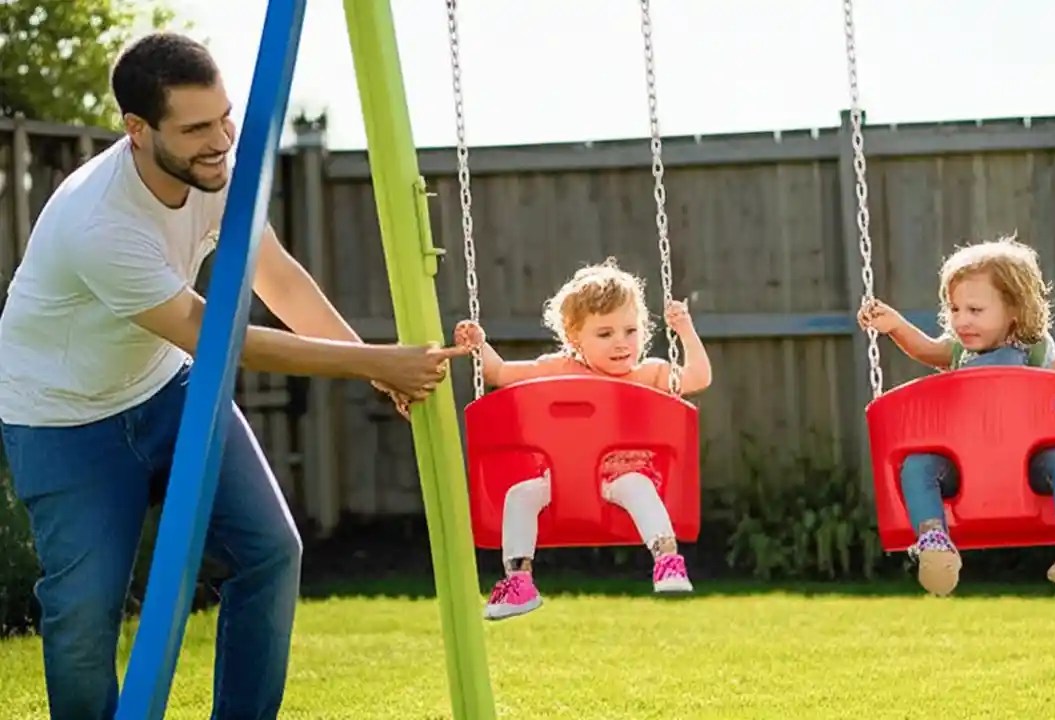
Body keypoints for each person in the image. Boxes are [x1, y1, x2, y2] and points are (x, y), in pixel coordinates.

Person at [0, 32, 465, 720]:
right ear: (137, 130)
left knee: (270, 553)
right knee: (83, 614)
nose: (219, 139)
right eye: (194, 129)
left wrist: (368, 363)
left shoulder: (217, 170)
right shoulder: (99, 224)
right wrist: (373, 361)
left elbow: (274, 274)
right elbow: (220, 339)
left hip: (165, 389)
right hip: (62, 421)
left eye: (224, 117)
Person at [452, 257, 712, 621]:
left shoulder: (649, 373)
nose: (621, 343)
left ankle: (668, 560)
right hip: (562, 477)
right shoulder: (557, 368)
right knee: (519, 495)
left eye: (630, 331)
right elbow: (499, 373)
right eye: (605, 334)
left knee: (637, 485)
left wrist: (685, 330)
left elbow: (698, 378)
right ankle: (519, 582)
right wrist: (478, 344)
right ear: (575, 338)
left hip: (623, 475)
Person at [856, 235, 1055, 597]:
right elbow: (924, 348)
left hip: (1027, 463)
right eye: (954, 309)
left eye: (975, 311)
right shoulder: (958, 352)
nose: (962, 321)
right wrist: (894, 325)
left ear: (1014, 309)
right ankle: (934, 542)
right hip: (963, 466)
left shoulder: (1034, 349)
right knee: (917, 467)